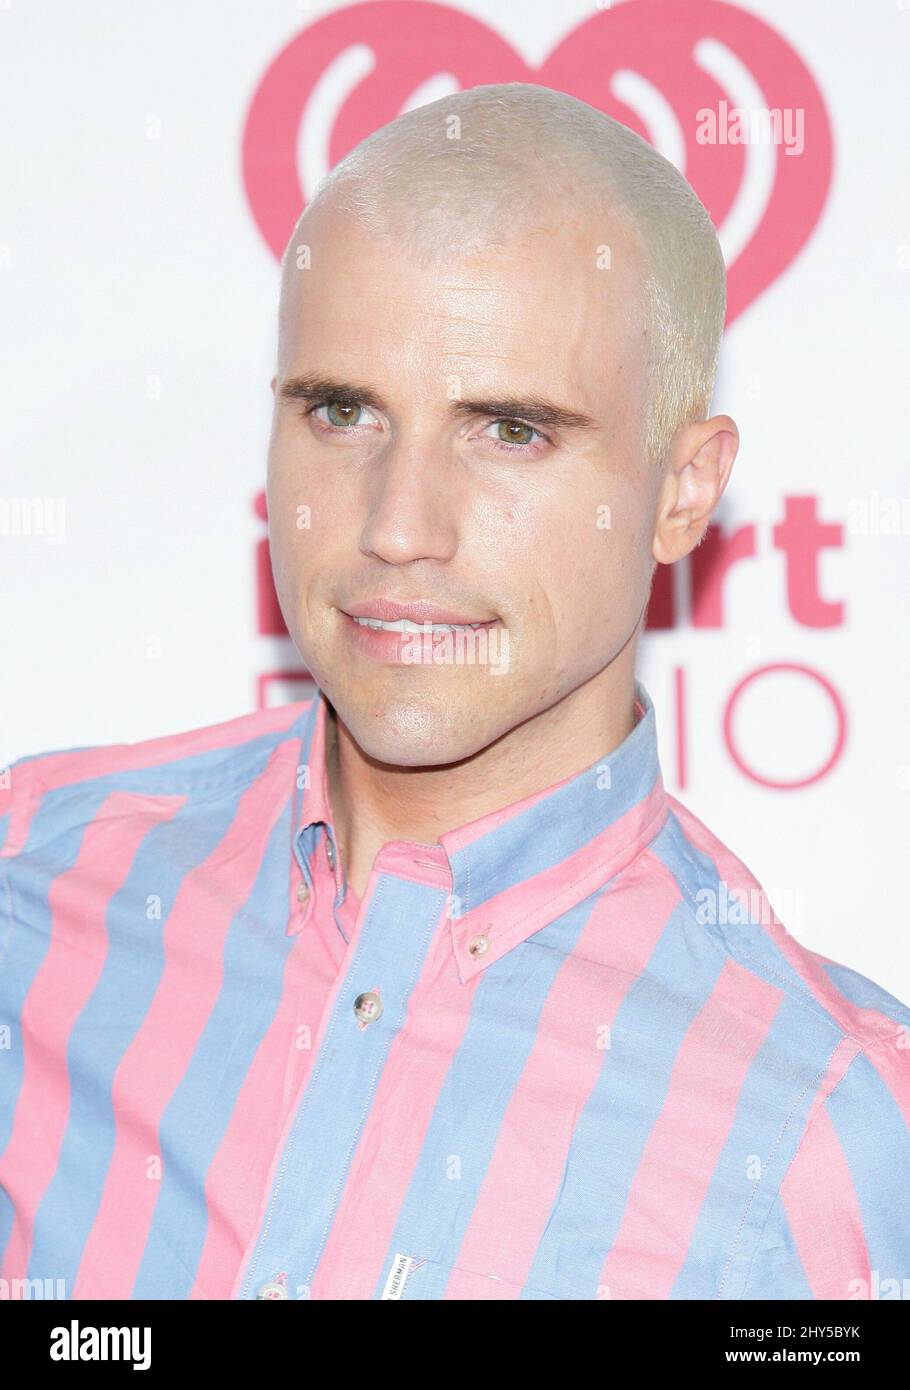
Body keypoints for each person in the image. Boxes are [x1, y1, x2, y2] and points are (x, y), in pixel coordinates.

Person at [1, 83, 907, 1303]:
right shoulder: (32, 880)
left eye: (511, 430)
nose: (397, 527)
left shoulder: (827, 1121)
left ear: (683, 490)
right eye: (341, 411)